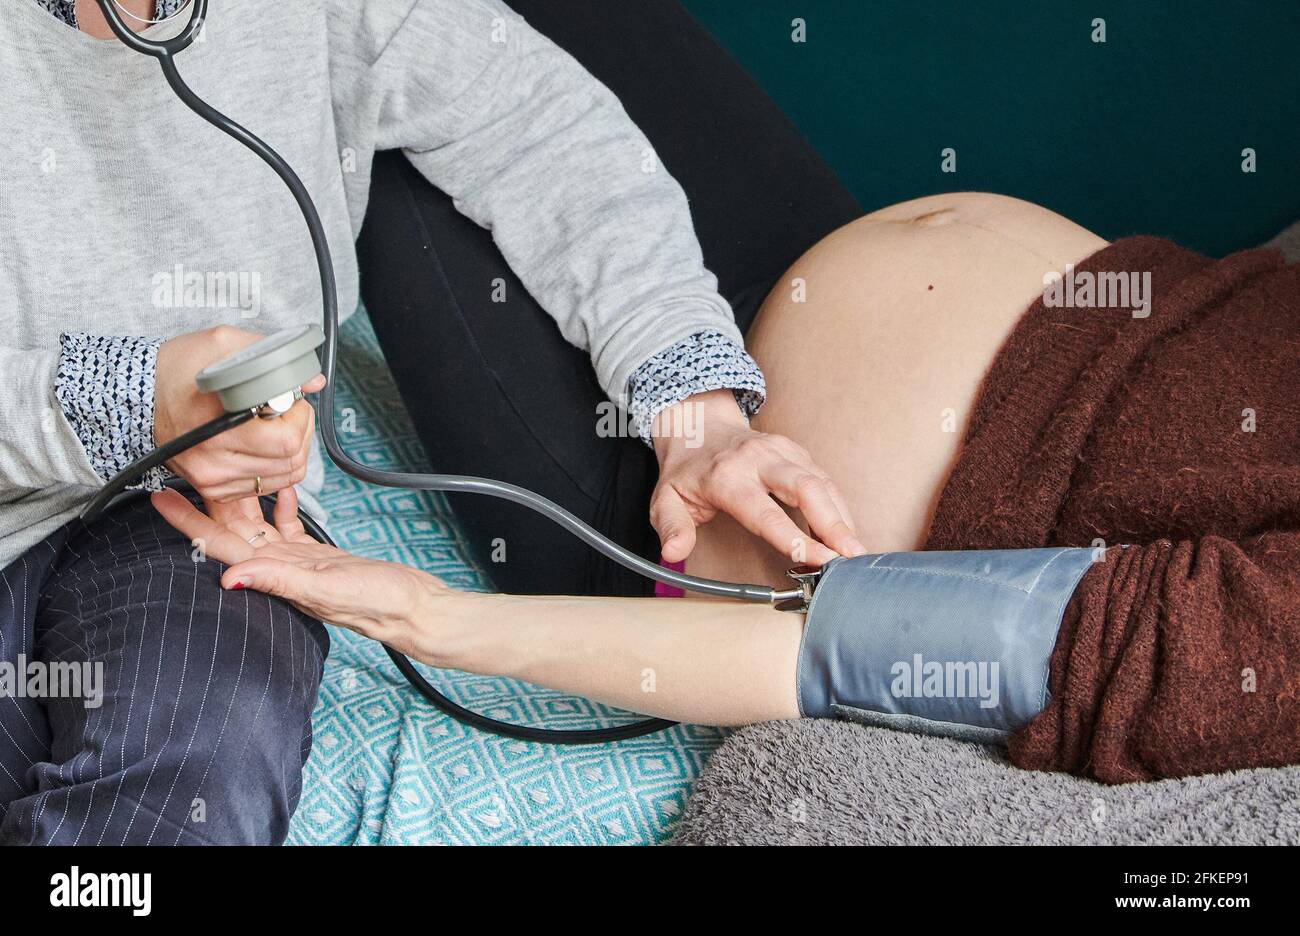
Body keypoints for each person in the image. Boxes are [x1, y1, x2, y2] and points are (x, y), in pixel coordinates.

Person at [1, 0, 864, 843]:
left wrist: (697, 415)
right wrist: (115, 399)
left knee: (205, 748)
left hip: (194, 521)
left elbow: (545, 134)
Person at [157, 190, 1300, 784]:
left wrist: (434, 616)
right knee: (495, 48)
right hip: (764, 298)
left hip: (673, 536)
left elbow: (835, 650)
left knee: (374, 111)